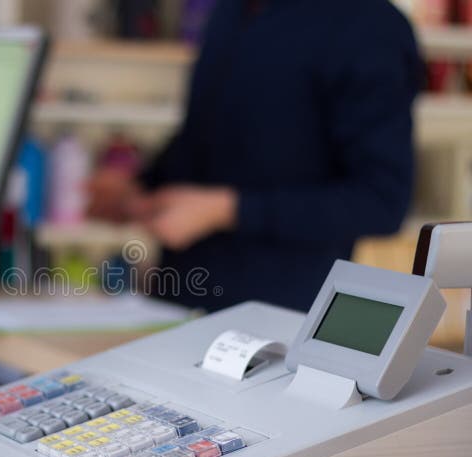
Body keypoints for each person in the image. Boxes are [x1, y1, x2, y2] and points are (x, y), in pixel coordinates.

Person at [88, 0, 422, 312]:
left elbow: (382, 201)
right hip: (179, 300)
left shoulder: (369, 26)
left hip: (274, 321)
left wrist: (227, 210)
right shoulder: (229, 11)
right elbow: (204, 134)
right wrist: (139, 188)